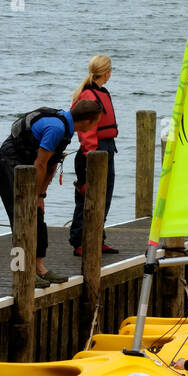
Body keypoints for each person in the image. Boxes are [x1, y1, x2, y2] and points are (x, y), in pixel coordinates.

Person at [0, 100, 103, 287]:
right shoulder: (56, 128)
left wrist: (40, 196)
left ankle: (39, 268)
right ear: (87, 122)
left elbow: (52, 164)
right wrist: (33, 196)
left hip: (28, 168)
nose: (96, 126)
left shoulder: (67, 129)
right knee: (20, 218)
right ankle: (21, 272)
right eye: (96, 122)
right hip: (8, 165)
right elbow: (40, 164)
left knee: (38, 216)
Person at [69, 55, 119, 256]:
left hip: (107, 147)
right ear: (106, 72)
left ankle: (97, 237)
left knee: (104, 196)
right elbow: (86, 130)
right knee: (88, 195)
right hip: (94, 151)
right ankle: (79, 239)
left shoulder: (101, 92)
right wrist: (91, 154)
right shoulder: (89, 95)